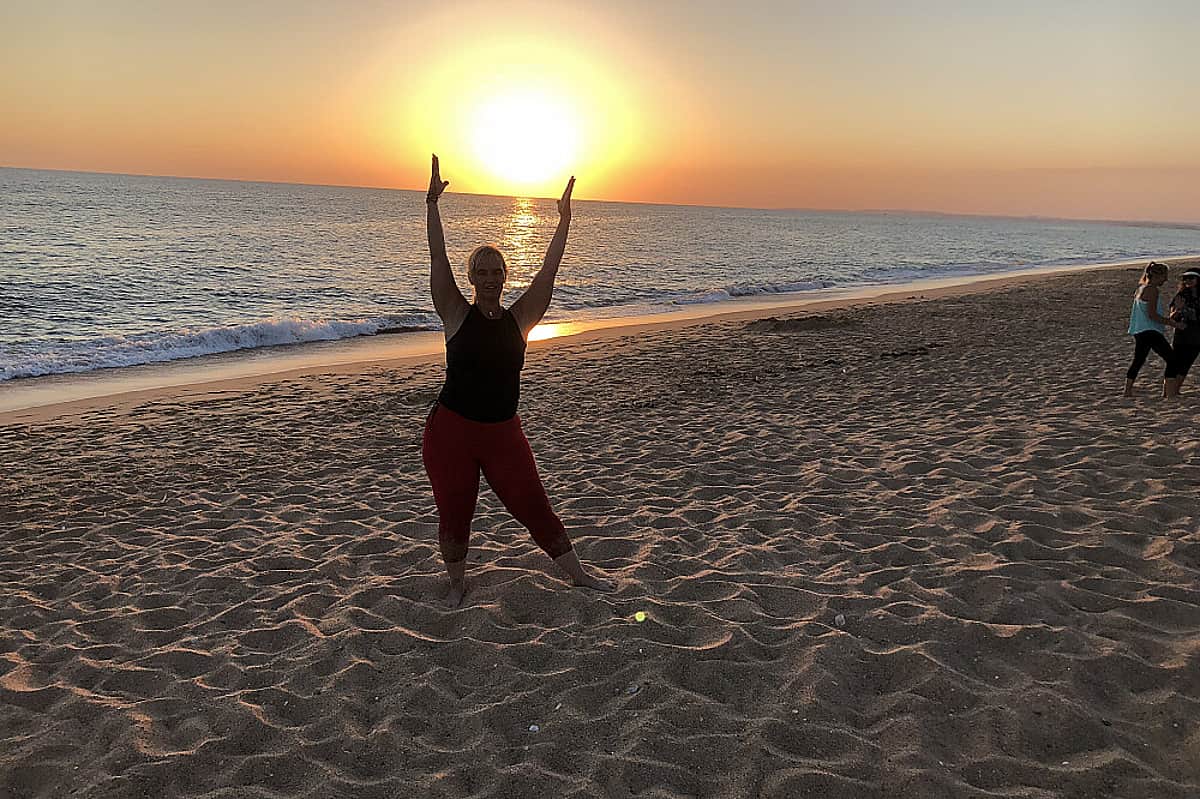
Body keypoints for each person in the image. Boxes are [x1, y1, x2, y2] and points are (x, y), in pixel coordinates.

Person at [421, 154, 614, 608]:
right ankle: (455, 586)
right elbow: (436, 256)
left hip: (504, 433)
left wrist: (564, 220)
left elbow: (549, 269)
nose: (489, 279)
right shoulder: (454, 312)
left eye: (497, 271)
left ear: (506, 277)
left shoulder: (521, 318)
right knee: (456, 509)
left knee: (532, 503)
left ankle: (579, 576)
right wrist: (431, 204)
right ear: (471, 278)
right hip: (451, 431)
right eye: (481, 272)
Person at [1125, 262, 1180, 397]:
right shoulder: (1152, 290)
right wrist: (1173, 324)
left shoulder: (1141, 288)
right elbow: (1152, 315)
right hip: (1149, 331)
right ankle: (1168, 392)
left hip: (1139, 330)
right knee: (1172, 359)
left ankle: (1127, 390)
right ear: (1157, 276)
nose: (1166, 280)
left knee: (1138, 360)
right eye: (1164, 277)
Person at [1165, 268, 1200, 398]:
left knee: (1188, 362)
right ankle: (1169, 391)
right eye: (1185, 278)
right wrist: (1178, 310)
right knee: (1176, 361)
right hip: (1182, 332)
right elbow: (1171, 317)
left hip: (1197, 333)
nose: (1187, 281)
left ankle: (1176, 389)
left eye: (1191, 278)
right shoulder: (1180, 296)